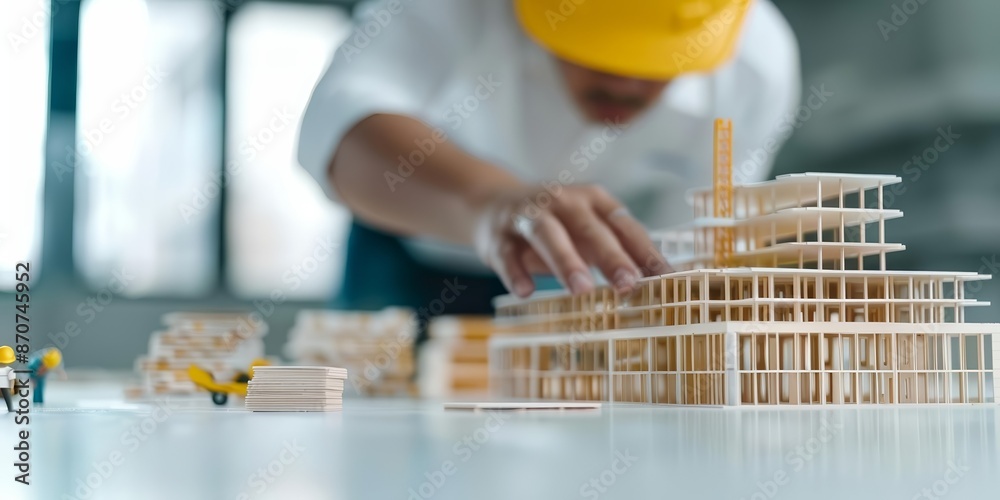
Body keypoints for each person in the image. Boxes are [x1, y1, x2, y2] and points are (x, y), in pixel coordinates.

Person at [298, 0, 800, 324]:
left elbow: (701, 250)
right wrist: (489, 202)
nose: (624, 84)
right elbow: (338, 123)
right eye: (599, 50)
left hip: (587, 274)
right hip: (413, 247)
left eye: (658, 61)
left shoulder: (756, 61)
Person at [0, 346, 16, 412]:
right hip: (5, 385)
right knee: (7, 396)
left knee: (7, 396)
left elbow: (12, 380)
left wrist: (12, 388)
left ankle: (10, 408)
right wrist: (12, 388)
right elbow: (12, 380)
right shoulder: (10, 370)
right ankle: (10, 408)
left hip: (5, 385)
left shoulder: (10, 370)